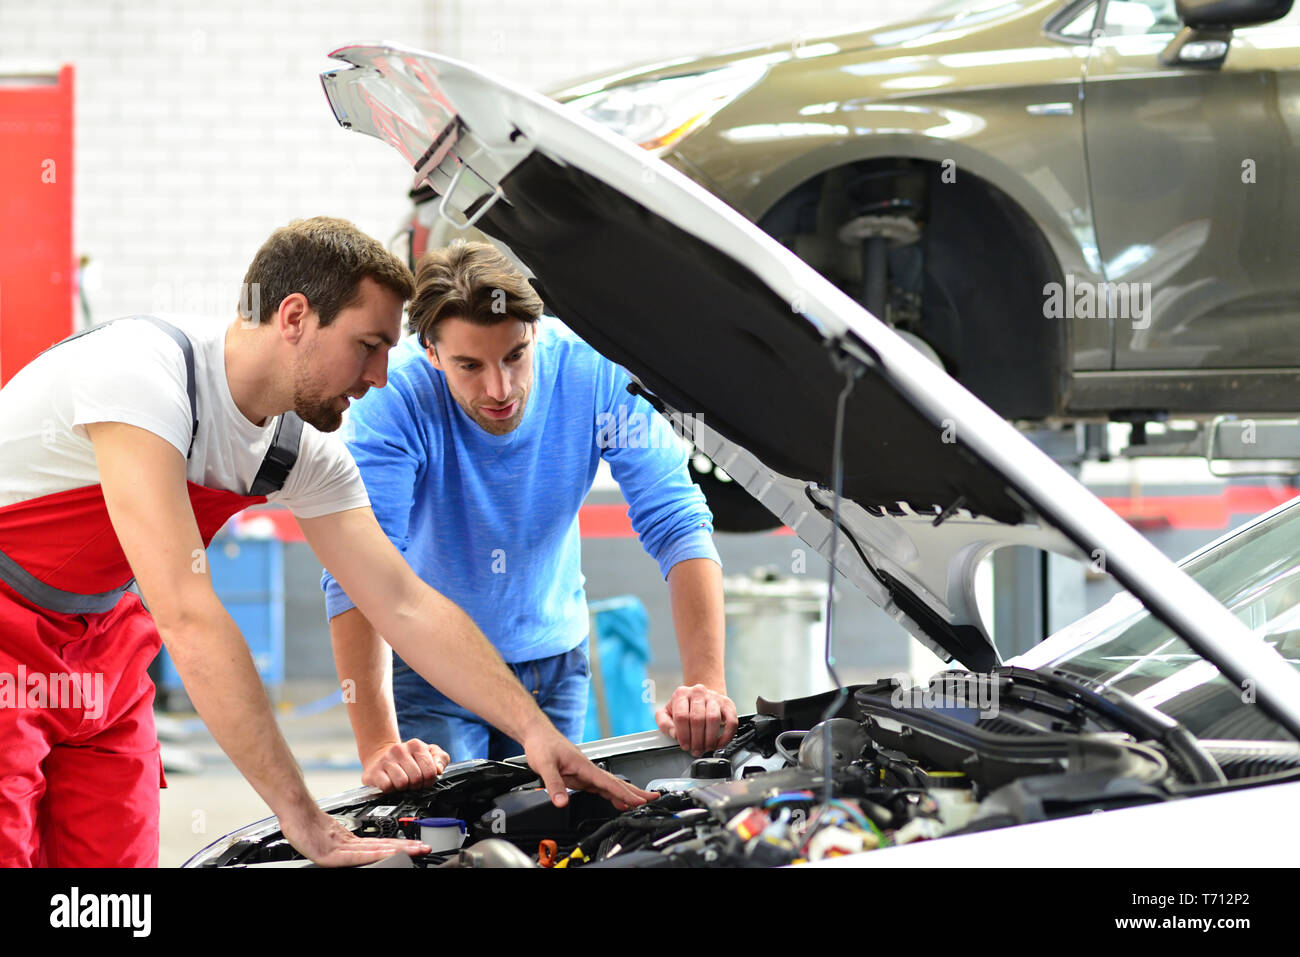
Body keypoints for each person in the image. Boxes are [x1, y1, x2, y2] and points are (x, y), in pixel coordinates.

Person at [0, 217, 648, 868]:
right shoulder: (142, 376)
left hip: (102, 646)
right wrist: (302, 818)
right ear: (294, 317)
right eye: (367, 345)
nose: (380, 376)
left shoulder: (301, 453)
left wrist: (536, 732)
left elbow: (403, 601)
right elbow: (189, 616)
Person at [323, 239, 736, 786]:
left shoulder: (598, 372)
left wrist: (705, 683)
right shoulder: (394, 400)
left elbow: (677, 519)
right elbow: (360, 572)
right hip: (432, 670)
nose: (500, 389)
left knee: (553, 834)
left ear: (535, 331)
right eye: (469, 365)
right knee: (456, 840)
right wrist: (378, 744)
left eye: (515, 355)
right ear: (430, 351)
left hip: (556, 663)